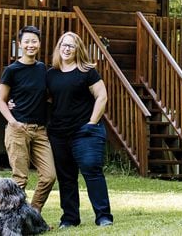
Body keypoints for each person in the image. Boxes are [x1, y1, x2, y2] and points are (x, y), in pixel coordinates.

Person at [47, 31, 113, 228]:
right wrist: (14, 103)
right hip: (59, 133)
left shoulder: (87, 71)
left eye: (71, 46)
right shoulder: (51, 74)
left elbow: (102, 96)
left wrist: (92, 123)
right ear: (58, 48)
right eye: (63, 45)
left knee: (92, 171)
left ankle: (103, 216)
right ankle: (70, 219)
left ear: (78, 49)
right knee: (66, 177)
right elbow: (43, 97)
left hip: (84, 132)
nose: (66, 49)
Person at [0, 25, 56, 212]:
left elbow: (47, 95)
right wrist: (13, 121)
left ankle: (33, 213)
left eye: (34, 41)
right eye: (27, 41)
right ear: (20, 44)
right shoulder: (11, 70)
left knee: (49, 176)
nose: (31, 45)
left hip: (39, 130)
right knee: (20, 180)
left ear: (39, 44)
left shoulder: (42, 69)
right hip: (17, 129)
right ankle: (13, 219)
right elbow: (1, 100)